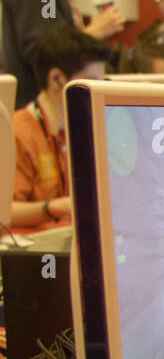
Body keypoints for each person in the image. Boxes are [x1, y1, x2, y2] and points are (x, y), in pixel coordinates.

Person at [8, 27, 112, 227]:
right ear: (56, 79)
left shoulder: (89, 128)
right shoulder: (18, 131)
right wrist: (50, 208)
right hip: (32, 251)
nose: (99, 91)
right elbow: (5, 214)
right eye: (91, 82)